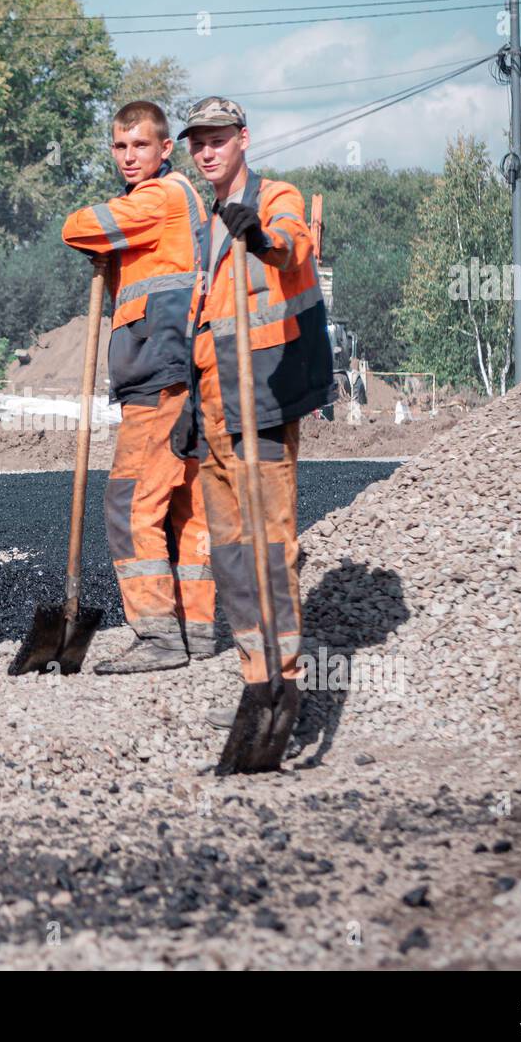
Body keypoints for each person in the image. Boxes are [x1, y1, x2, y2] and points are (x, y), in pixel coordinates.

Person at [177, 96, 333, 770]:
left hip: (263, 401)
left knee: (271, 548)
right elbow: (202, 315)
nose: (207, 152)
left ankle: (286, 683)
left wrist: (260, 236)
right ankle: (252, 679)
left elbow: (295, 244)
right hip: (214, 405)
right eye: (197, 143)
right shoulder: (203, 224)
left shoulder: (276, 197)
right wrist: (187, 397)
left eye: (218, 139)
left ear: (243, 138)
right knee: (233, 556)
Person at [61, 101, 215, 673]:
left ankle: (157, 633)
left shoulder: (160, 198)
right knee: (185, 502)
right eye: (121, 147)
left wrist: (106, 237)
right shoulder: (174, 207)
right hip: (185, 373)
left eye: (140, 147)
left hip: (159, 375)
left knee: (129, 503)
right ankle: (197, 630)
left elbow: (77, 226)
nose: (129, 157)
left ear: (165, 148)